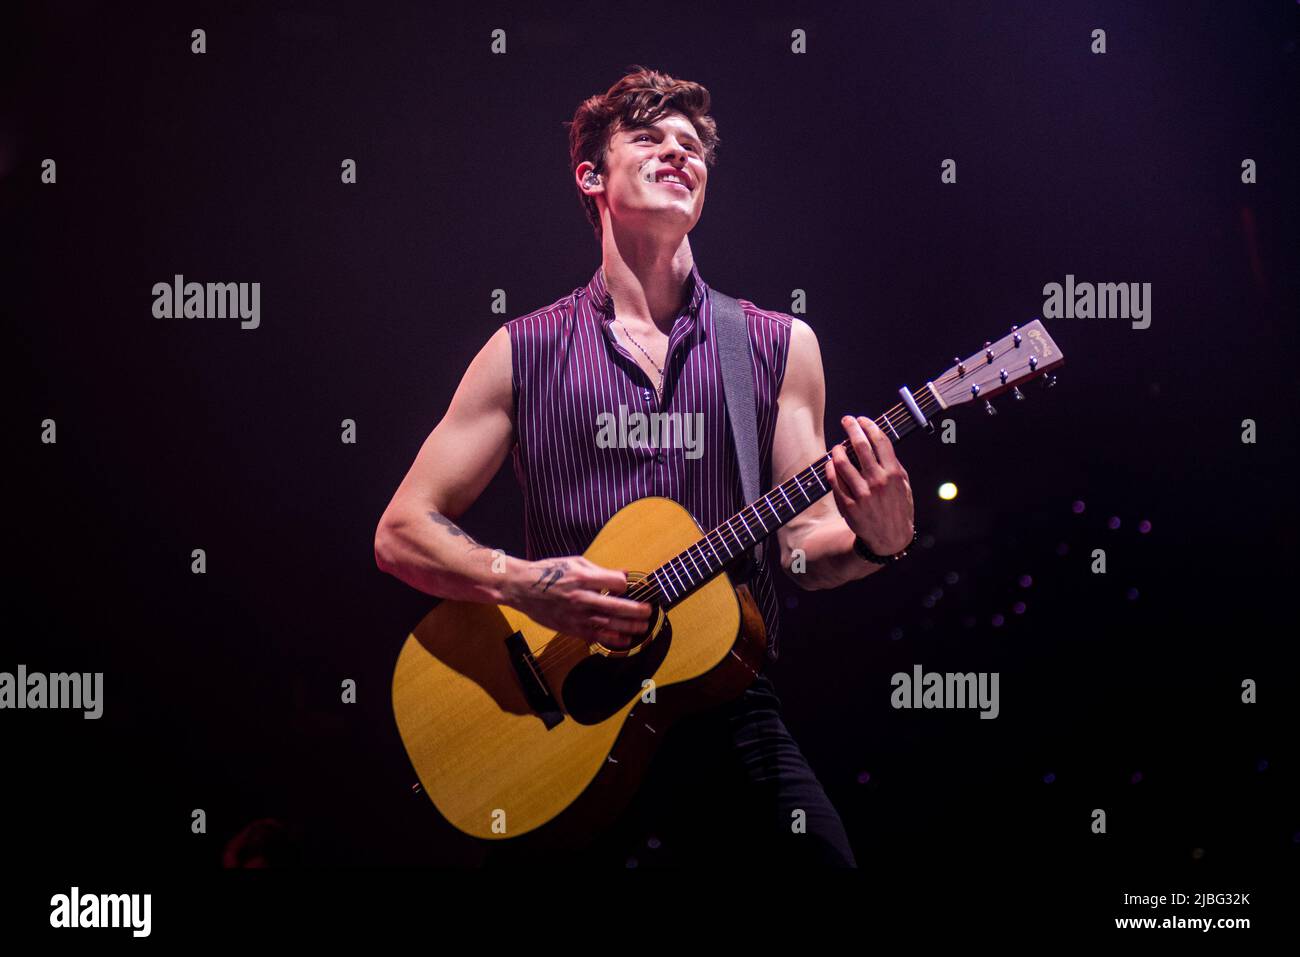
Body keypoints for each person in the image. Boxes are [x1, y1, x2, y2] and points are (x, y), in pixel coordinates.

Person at [374, 65, 916, 867]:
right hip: (560, 728)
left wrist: (876, 540)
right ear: (590, 175)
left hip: (725, 705)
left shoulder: (776, 345)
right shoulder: (521, 351)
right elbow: (401, 531)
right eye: (650, 137)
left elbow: (804, 551)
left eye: (692, 145)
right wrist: (519, 582)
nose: (678, 152)